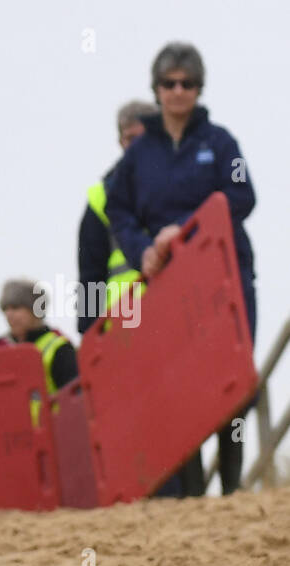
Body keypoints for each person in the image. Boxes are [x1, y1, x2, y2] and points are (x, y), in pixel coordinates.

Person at [106, 42, 255, 496]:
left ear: (198, 89)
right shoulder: (138, 154)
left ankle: (231, 490)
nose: (177, 91)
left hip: (225, 276)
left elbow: (243, 196)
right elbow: (119, 208)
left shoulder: (221, 142)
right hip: (169, 285)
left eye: (186, 83)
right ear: (156, 89)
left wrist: (186, 230)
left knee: (233, 383)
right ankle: (192, 495)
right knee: (182, 389)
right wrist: (142, 248)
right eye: (168, 83)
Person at [77, 100, 158, 333]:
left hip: (180, 313)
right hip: (124, 326)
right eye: (131, 138)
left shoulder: (185, 183)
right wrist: (90, 335)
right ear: (121, 142)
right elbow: (90, 276)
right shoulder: (100, 198)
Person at [0, 279, 78, 427]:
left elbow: (75, 401)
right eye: (6, 308)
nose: (9, 314)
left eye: (16, 307)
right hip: (9, 440)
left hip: (52, 436)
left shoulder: (60, 348)